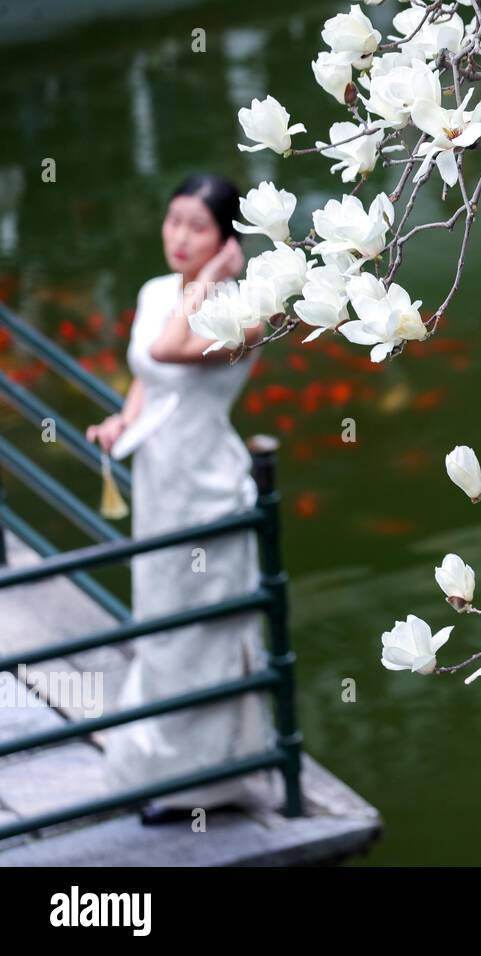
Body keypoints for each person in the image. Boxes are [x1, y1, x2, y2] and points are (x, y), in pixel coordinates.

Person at [85, 173, 285, 825]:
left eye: (197, 227)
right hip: (159, 481)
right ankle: (158, 766)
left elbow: (170, 347)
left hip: (206, 488)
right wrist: (123, 418)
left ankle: (206, 782)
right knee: (162, 622)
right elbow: (150, 373)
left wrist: (214, 277)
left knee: (204, 630)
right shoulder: (153, 292)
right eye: (173, 221)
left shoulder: (251, 308)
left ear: (229, 240)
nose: (178, 237)